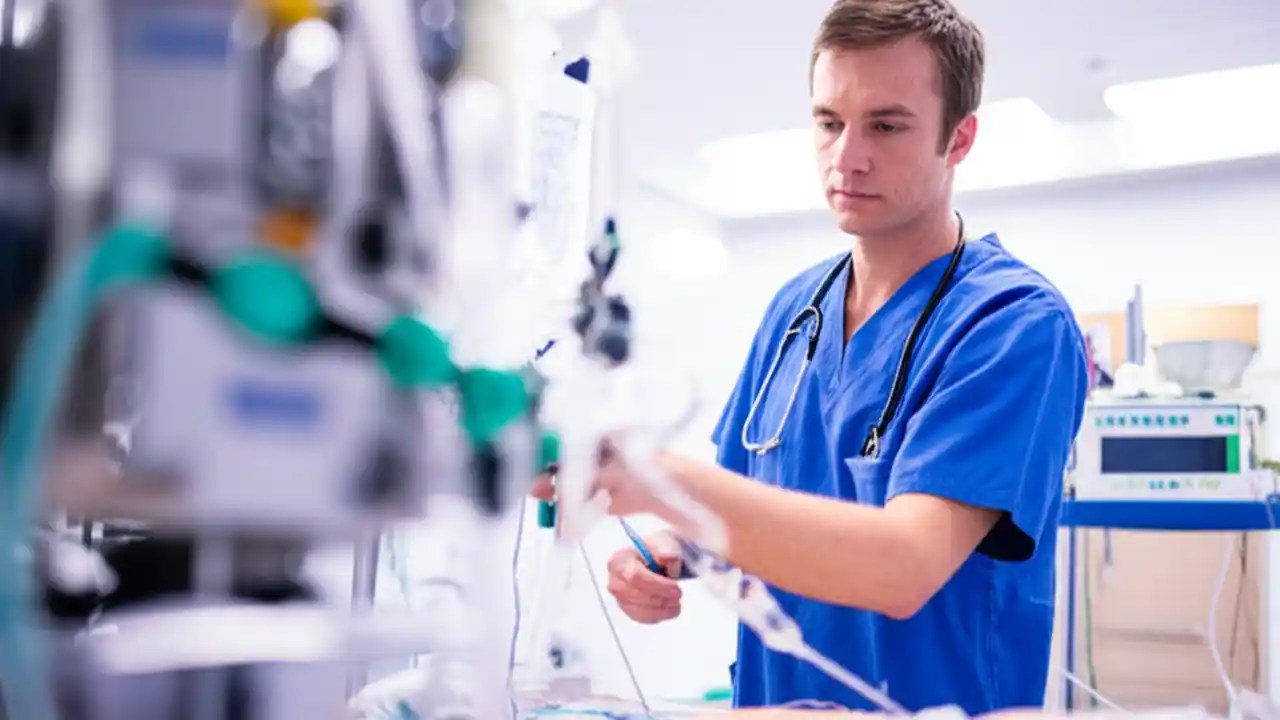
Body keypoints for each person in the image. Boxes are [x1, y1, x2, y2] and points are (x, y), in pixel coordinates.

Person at [535, 0, 1089, 714]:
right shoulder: (796, 312)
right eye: (829, 122)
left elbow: (903, 568)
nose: (846, 157)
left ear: (960, 138)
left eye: (886, 126)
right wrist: (665, 547)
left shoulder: (1013, 326)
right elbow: (749, 504)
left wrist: (647, 474)